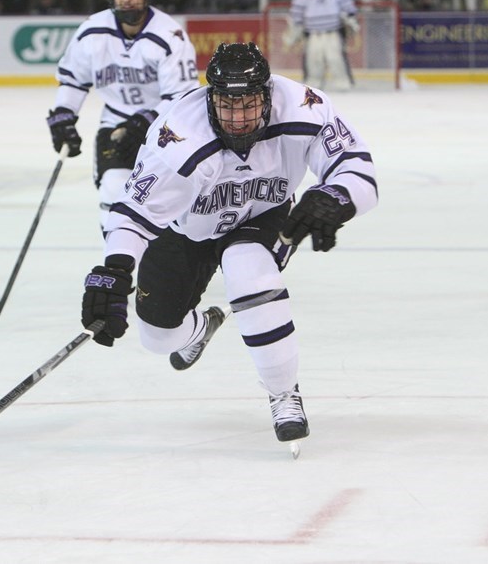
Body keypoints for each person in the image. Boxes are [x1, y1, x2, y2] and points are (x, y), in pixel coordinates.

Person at [78, 42, 378, 447]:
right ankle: (201, 328)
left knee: (247, 268)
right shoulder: (179, 135)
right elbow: (134, 212)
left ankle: (283, 393)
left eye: (249, 103)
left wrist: (336, 197)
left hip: (262, 215)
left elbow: (357, 167)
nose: (238, 118)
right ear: (210, 99)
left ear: (267, 95)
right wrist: (113, 270)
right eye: (227, 104)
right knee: (158, 337)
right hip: (186, 228)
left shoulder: (304, 107)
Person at [46, 0, 199, 231]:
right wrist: (64, 115)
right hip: (115, 122)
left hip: (164, 129)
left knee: (168, 203)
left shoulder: (169, 35)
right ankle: (116, 255)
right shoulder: (92, 31)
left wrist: (144, 123)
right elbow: (73, 79)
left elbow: (181, 96)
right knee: (112, 191)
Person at [284, 0, 359, 91]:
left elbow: (346, 2)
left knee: (336, 59)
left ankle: (343, 84)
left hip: (333, 30)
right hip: (313, 31)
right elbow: (298, 7)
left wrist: (351, 16)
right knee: (313, 60)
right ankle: (313, 86)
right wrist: (296, 25)